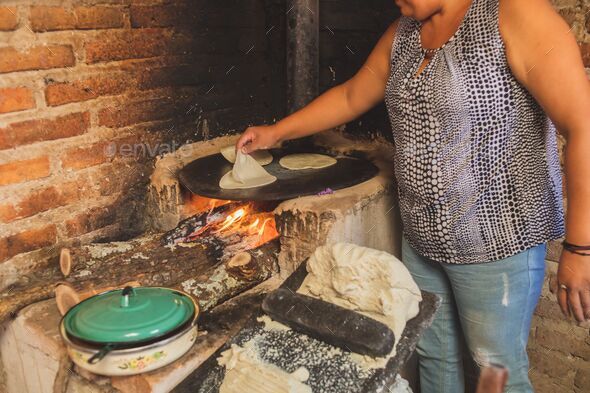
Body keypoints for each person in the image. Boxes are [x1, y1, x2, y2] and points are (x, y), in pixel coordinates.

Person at [236, 0, 590, 392]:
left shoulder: (514, 14)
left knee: (495, 368)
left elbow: (582, 127)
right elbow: (352, 95)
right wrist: (277, 132)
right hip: (422, 236)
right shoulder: (404, 34)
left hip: (497, 241)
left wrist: (580, 247)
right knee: (434, 357)